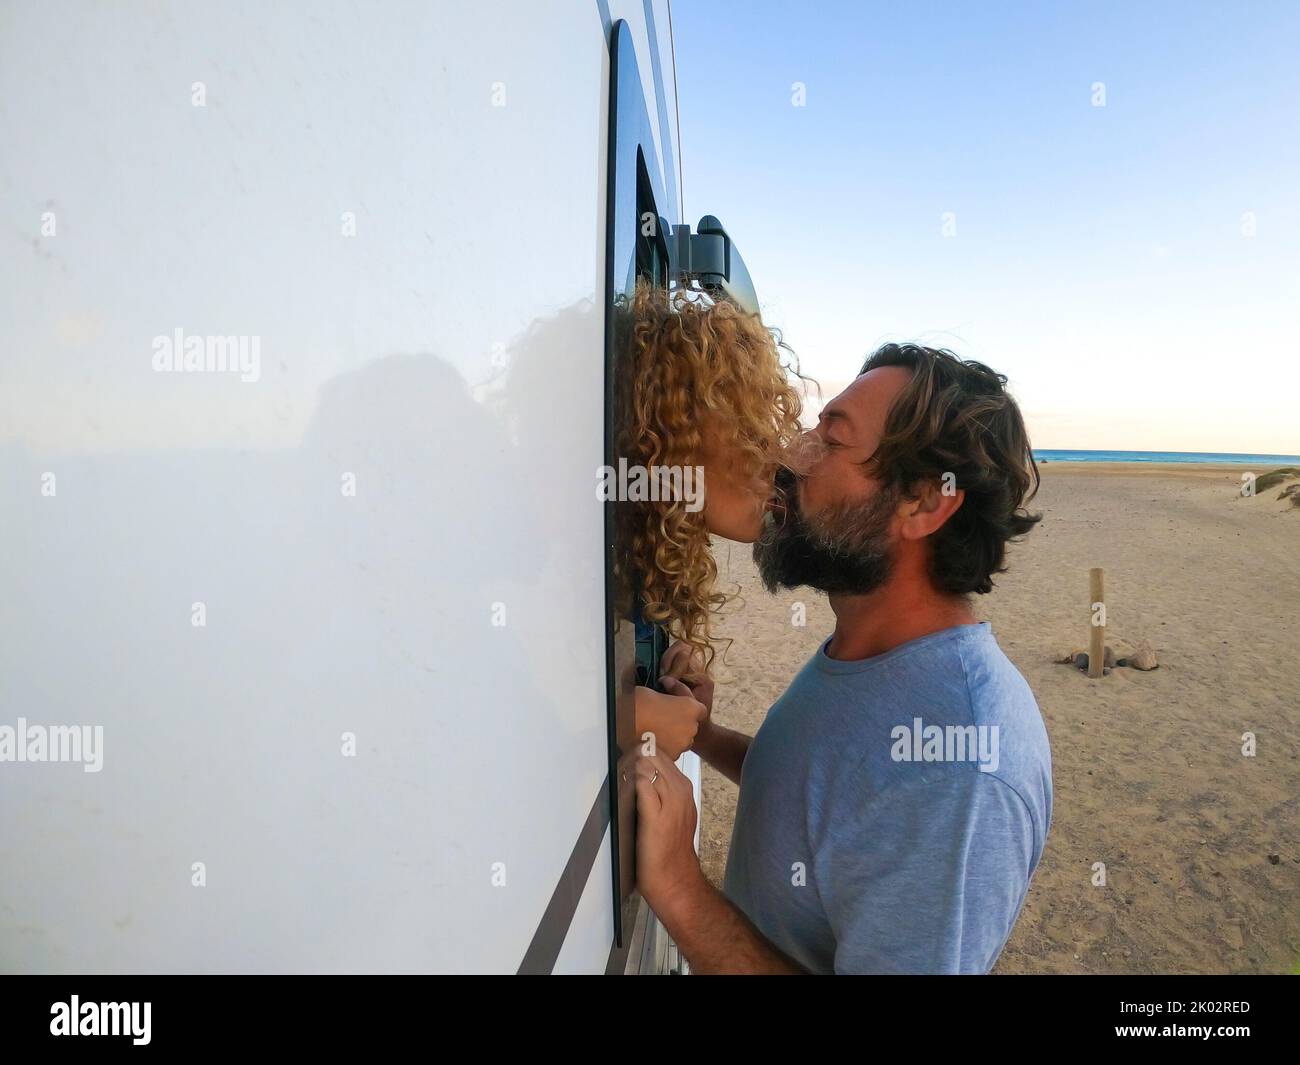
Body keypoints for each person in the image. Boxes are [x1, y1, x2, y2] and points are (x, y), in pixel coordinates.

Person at [632, 343, 1053, 974]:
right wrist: (704, 735)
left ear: (924, 504)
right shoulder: (870, 652)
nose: (787, 456)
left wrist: (681, 890)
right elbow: (834, 801)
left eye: (829, 442)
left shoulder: (964, 767)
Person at [611, 283, 805, 759]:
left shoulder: (628, 557)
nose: (776, 455)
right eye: (747, 426)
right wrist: (613, 725)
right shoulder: (566, 562)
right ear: (661, 432)